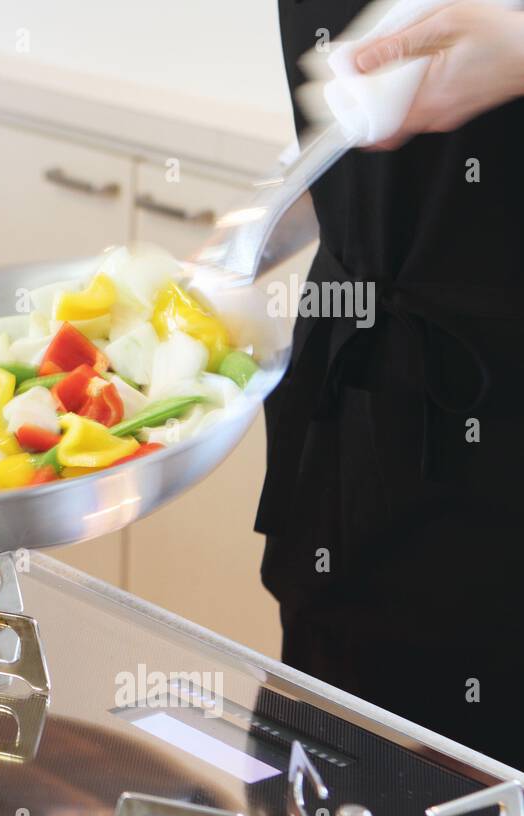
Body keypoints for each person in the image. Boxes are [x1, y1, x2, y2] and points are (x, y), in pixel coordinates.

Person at [259, 0, 524, 770]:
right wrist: (236, 247)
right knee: (327, 758)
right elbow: (369, 152)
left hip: (498, 414)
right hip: (350, 393)